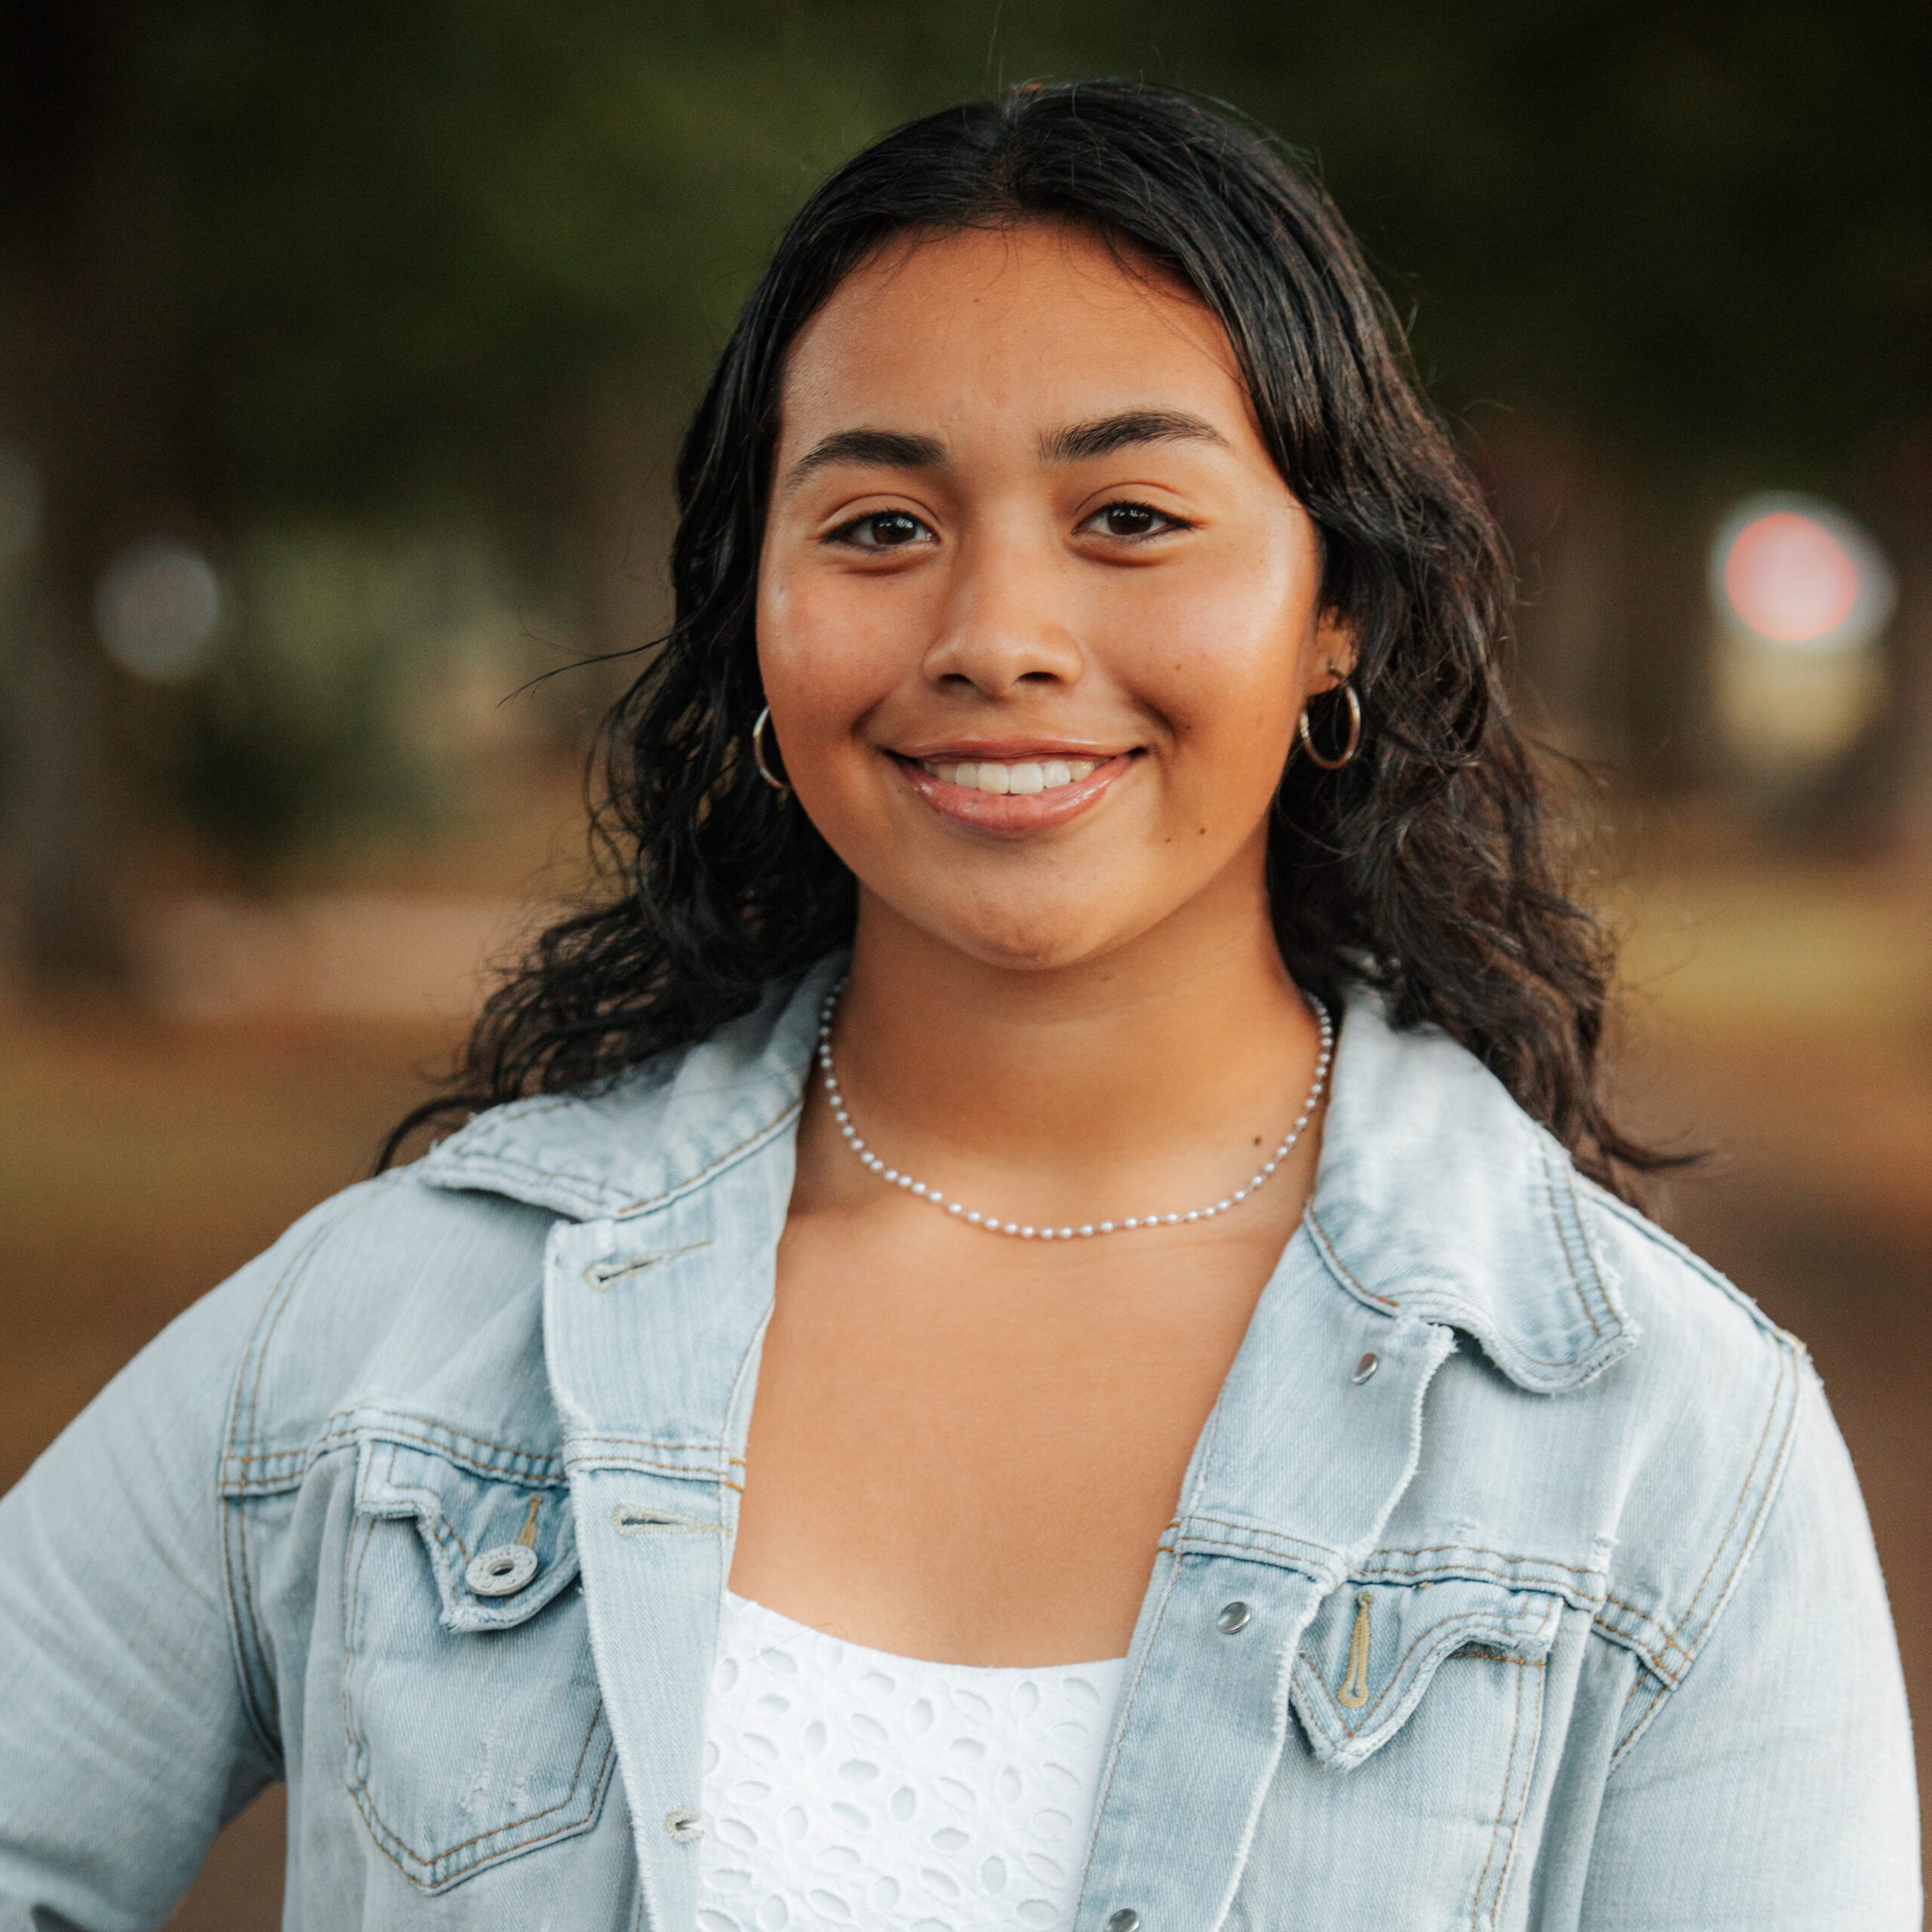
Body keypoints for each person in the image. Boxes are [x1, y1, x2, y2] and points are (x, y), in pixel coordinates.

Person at [0, 78, 1918, 1932]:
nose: (996, 633)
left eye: (1131, 519)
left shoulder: (1660, 1440)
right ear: (753, 607)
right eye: (878, 528)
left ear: (1336, 607)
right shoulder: (404, 1332)